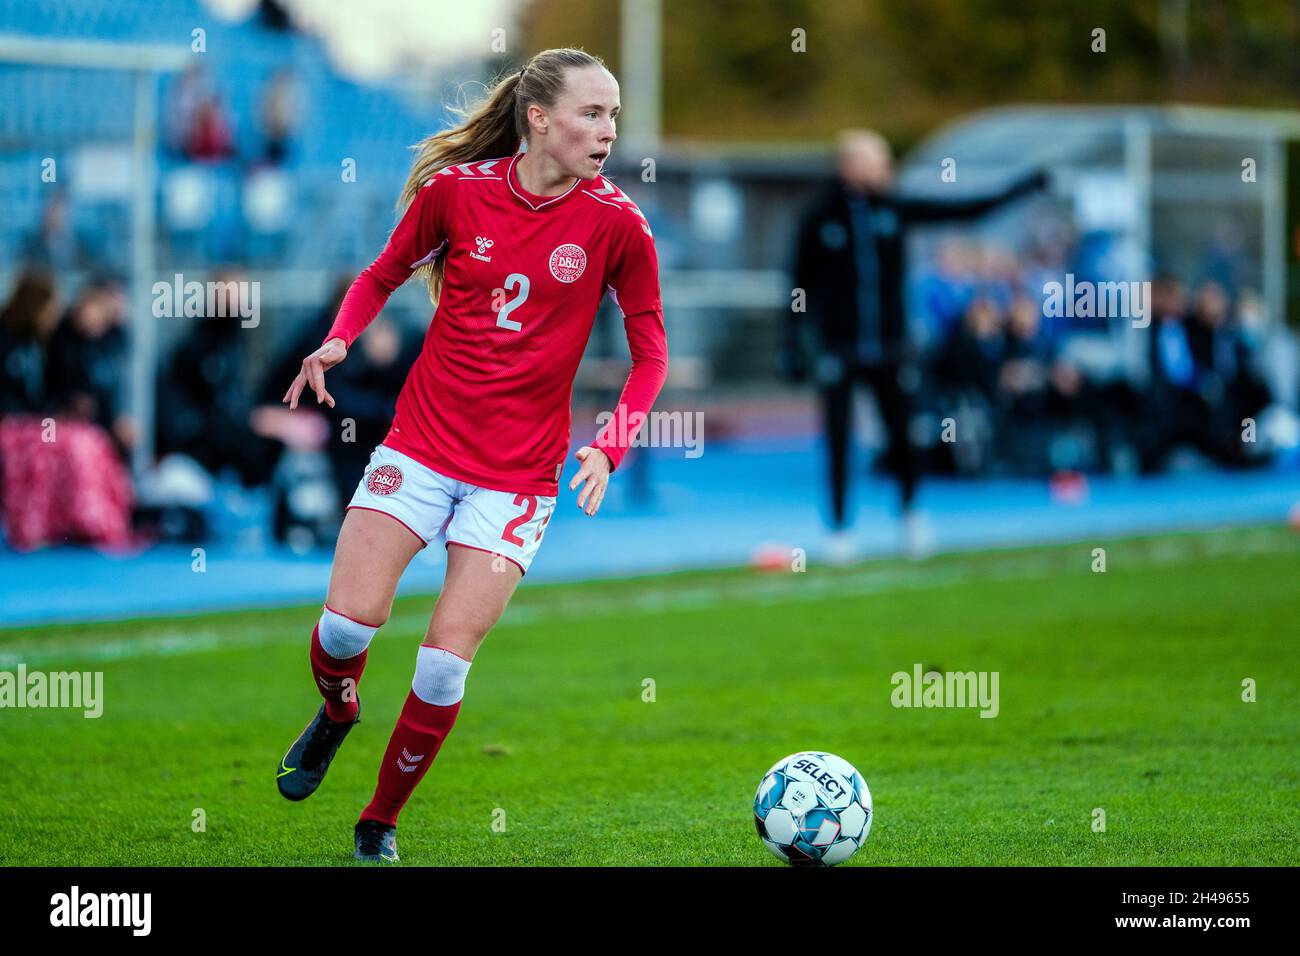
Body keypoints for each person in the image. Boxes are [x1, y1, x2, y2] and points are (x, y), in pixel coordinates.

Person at [274, 48, 667, 863]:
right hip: (420, 446)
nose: (609, 131)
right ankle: (339, 712)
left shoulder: (619, 224)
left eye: (614, 114)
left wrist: (610, 446)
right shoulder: (456, 194)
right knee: (346, 625)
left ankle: (377, 823)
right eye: (592, 113)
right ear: (538, 118)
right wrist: (339, 338)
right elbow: (381, 273)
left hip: (519, 479)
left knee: (445, 666)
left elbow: (651, 354)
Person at [786, 129, 1046, 559]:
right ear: (851, 165)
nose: (885, 170)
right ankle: (838, 528)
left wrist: (1017, 190)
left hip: (890, 347)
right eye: (877, 162)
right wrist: (794, 339)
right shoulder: (819, 216)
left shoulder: (894, 209)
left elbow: (965, 211)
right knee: (836, 440)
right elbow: (798, 282)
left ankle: (909, 513)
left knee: (905, 432)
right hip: (840, 349)